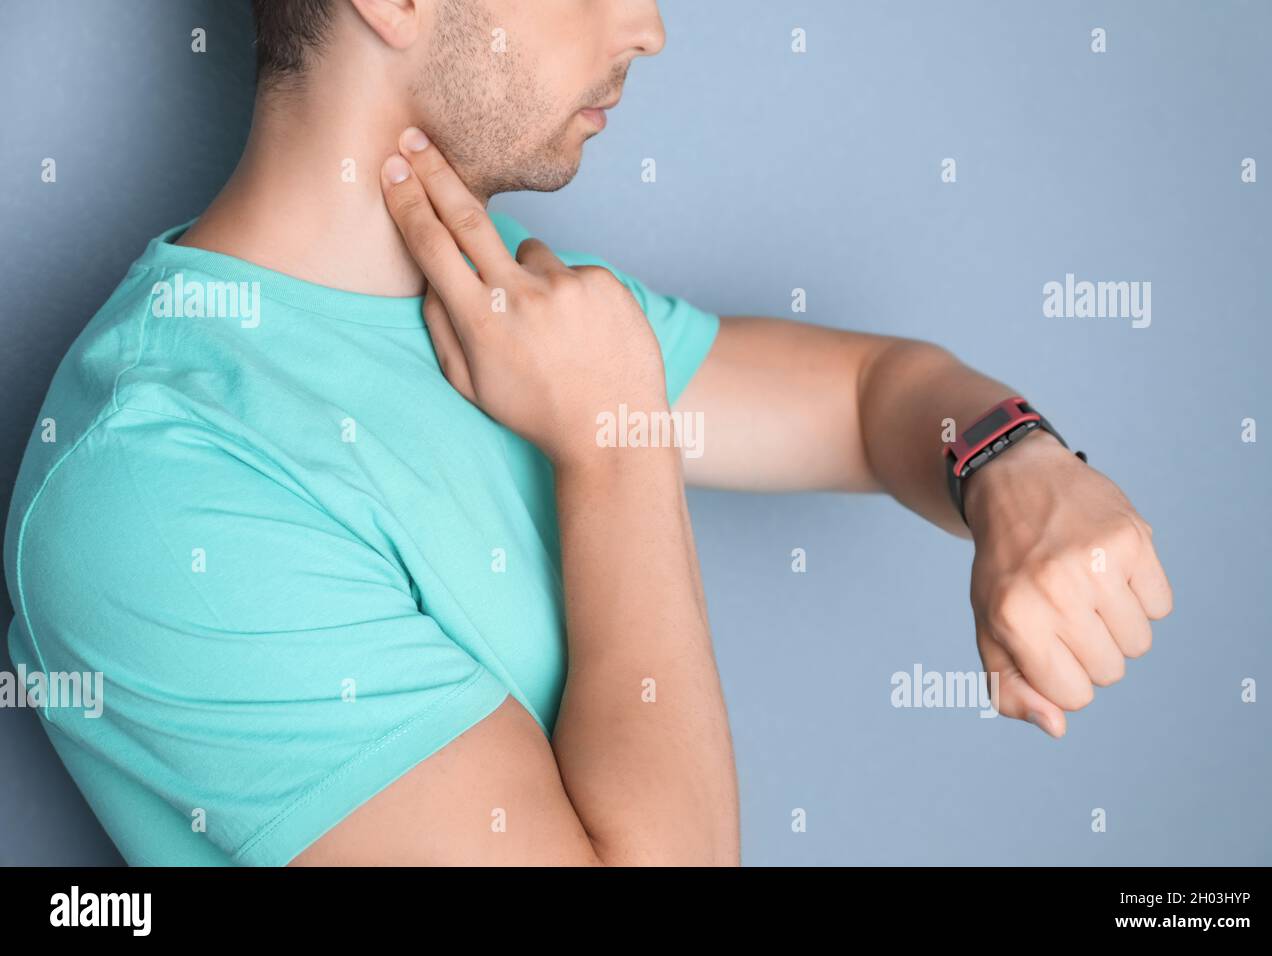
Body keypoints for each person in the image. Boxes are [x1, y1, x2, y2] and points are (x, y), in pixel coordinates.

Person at [3, 0, 1172, 866]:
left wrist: (1010, 462)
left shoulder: (521, 315)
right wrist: (614, 451)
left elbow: (874, 399)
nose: (649, 25)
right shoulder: (158, 486)